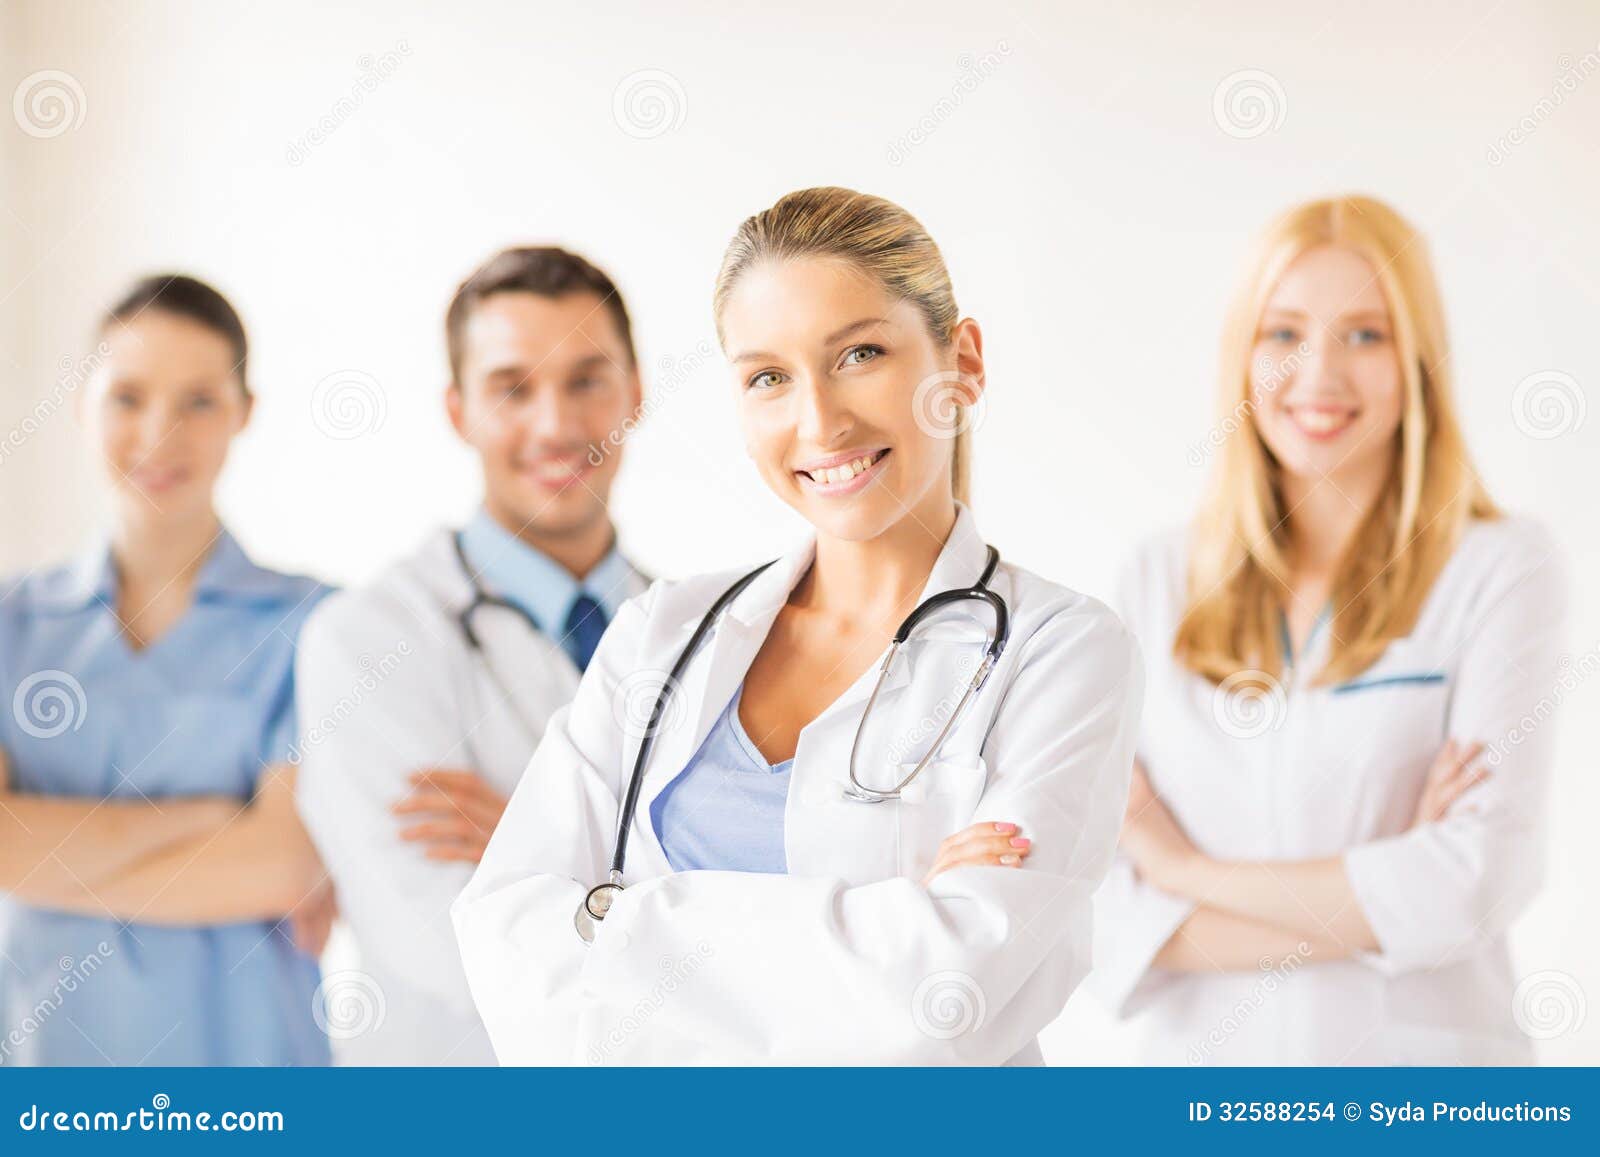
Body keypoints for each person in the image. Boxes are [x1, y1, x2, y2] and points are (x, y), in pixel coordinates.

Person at [452, 187, 1143, 1065]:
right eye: (768, 377)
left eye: (860, 353)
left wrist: (608, 918)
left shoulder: (1063, 650)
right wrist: (891, 918)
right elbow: (507, 944)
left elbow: (944, 999)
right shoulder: (659, 632)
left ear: (962, 362)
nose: (820, 420)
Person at [1088, 195, 1567, 1065]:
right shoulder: (1154, 578)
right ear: (1243, 355)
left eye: (1365, 334)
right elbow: (1101, 913)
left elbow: (1477, 882)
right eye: (1283, 333)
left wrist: (1185, 872)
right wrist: (1387, 895)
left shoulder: (1500, 567)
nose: (1319, 374)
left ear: (1418, 360)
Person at [293, 247, 650, 1064]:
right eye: (512, 387)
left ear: (636, 392)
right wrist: (661, 889)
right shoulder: (367, 642)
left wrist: (546, 843)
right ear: (459, 412)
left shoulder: (708, 636)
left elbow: (765, 918)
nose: (556, 424)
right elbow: (456, 949)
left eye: (588, 379)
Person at [0, 275, 333, 1066]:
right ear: (80, 406)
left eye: (199, 401)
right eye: (128, 397)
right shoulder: (13, 624)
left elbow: (284, 862)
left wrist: (44, 858)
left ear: (244, 411)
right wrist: (213, 820)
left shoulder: (313, 623)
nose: (160, 433)